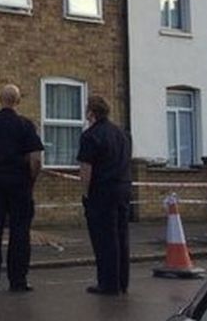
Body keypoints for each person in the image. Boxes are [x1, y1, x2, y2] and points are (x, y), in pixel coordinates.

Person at [0, 84, 44, 293]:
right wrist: (31, 179)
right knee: (20, 231)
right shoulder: (25, 125)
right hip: (19, 182)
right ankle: (18, 280)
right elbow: (36, 159)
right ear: (17, 101)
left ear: (0, 100)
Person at [78, 95, 131, 296]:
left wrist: (85, 193)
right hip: (123, 189)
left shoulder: (90, 136)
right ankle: (122, 281)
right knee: (121, 235)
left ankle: (108, 284)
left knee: (104, 238)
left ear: (91, 112)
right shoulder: (123, 134)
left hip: (102, 191)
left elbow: (86, 168)